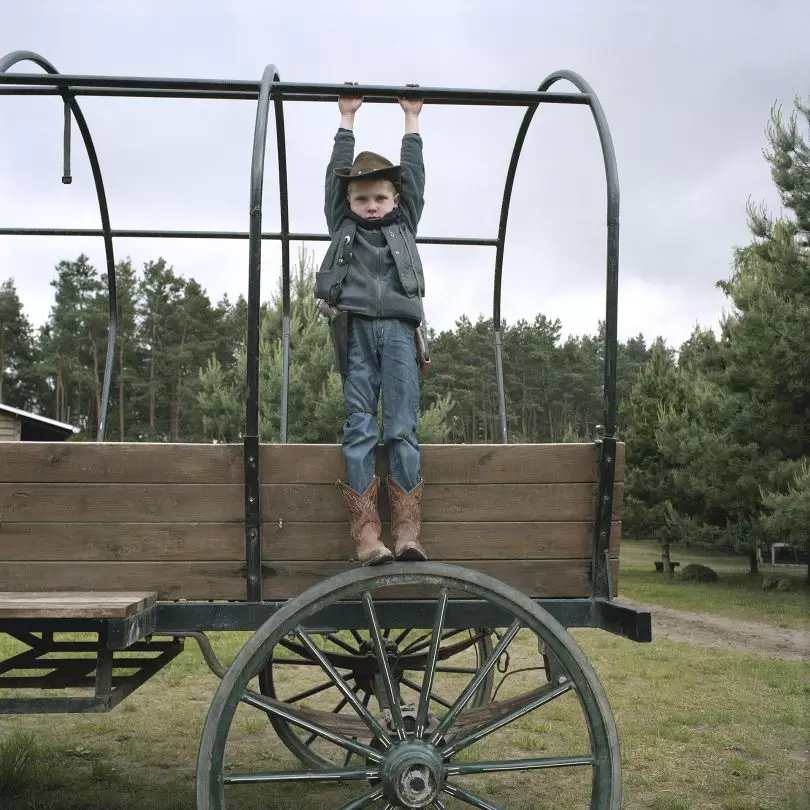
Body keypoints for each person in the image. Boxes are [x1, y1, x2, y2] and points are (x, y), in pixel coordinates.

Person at [315, 81, 429, 566]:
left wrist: (412, 121)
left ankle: (407, 533)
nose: (371, 206)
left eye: (380, 197)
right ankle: (366, 535)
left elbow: (416, 177)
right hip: (358, 330)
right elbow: (333, 183)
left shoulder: (404, 226)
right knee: (361, 425)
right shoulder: (344, 227)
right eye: (362, 199)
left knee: (402, 428)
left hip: (400, 333)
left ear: (396, 199)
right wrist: (347, 119)